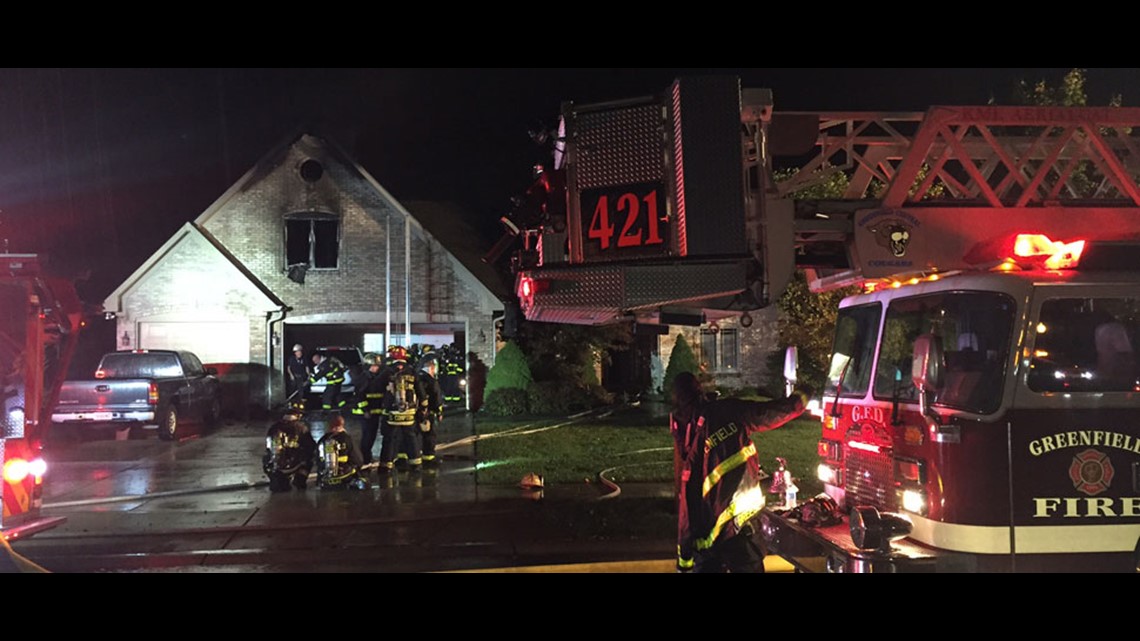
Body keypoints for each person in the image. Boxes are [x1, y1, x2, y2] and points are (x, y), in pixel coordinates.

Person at [671, 372, 811, 574]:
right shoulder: (728, 410)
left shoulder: (685, 433)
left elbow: (685, 499)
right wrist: (802, 397)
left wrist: (684, 558)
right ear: (700, 391)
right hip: (740, 532)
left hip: (705, 542)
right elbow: (768, 413)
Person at [379, 346, 427, 472]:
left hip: (392, 411)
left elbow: (376, 387)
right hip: (409, 411)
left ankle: (386, 466)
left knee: (389, 438)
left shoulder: (387, 371)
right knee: (411, 437)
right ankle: (416, 464)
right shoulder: (412, 371)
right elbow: (420, 391)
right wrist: (424, 407)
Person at [263, 408, 317, 492]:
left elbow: (268, 447)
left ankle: (276, 480)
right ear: (297, 416)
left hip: (273, 466)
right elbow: (311, 446)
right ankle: (299, 481)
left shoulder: (273, 428)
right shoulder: (301, 428)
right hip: (293, 465)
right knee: (308, 460)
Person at [352, 354, 390, 467]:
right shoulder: (364, 378)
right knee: (368, 436)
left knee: (371, 436)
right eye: (374, 366)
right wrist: (365, 410)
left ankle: (366, 457)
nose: (376, 368)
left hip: (373, 412)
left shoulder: (374, 377)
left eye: (377, 366)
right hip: (366, 413)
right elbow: (359, 396)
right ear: (368, 366)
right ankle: (365, 460)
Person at [316, 415, 369, 490]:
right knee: (364, 479)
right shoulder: (347, 439)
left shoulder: (322, 441)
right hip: (344, 478)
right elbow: (359, 460)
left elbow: (317, 461)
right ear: (341, 426)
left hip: (325, 481)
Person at [416, 351, 444, 466]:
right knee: (429, 435)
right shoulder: (431, 380)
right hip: (429, 412)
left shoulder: (416, 377)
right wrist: (439, 412)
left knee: (415, 435)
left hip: (416, 411)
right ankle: (429, 458)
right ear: (430, 367)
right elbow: (436, 397)